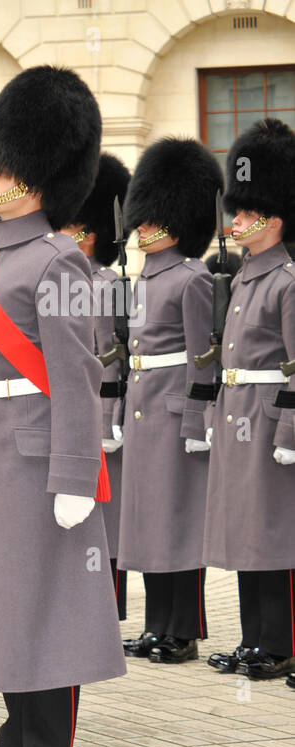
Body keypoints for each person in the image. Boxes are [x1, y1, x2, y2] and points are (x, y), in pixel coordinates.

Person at [0, 66, 125, 747]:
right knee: (5, 609)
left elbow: (76, 375)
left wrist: (77, 474)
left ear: (40, 178)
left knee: (46, 610)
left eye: (4, 169)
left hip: (38, 457)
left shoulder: (60, 260)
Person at [119, 138, 221, 663]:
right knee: (147, 525)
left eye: (151, 219)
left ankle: (182, 631)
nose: (141, 227)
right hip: (143, 410)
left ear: (174, 222)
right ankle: (156, 624)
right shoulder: (141, 278)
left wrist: (198, 421)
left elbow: (203, 359)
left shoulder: (192, 278)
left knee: (178, 524)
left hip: (175, 412)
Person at [202, 117, 295, 682]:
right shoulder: (242, 277)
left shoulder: (287, 279)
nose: (235, 222)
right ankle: (253, 637)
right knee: (244, 533)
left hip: (268, 421)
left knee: (275, 534)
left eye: (245, 213)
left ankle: (280, 642)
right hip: (239, 414)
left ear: (273, 218)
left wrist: (289, 434)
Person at [60, 155, 131, 623]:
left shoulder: (105, 285)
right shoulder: (69, 278)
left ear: (87, 235)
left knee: (108, 517)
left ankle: (108, 607)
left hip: (101, 418)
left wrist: (109, 420)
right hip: (74, 414)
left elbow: (110, 357)